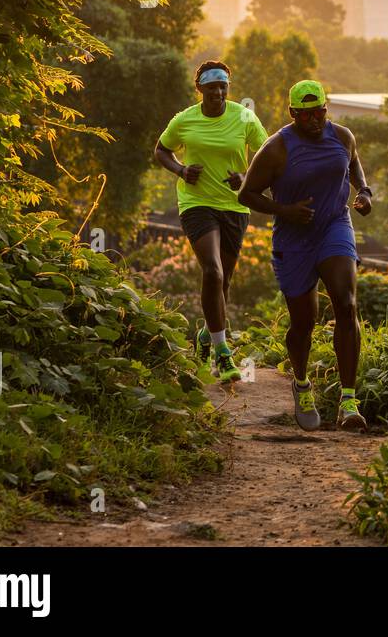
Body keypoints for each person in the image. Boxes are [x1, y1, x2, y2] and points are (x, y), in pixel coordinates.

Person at [238, 79, 372, 431]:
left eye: (320, 112)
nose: (315, 120)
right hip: (293, 238)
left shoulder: (342, 136)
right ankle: (301, 383)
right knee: (304, 322)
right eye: (306, 115)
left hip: (334, 226)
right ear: (292, 114)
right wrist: (284, 210)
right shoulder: (276, 149)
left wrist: (365, 192)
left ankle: (349, 401)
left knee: (346, 303)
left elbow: (353, 163)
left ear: (327, 109)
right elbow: (246, 194)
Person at [153, 61, 267, 383]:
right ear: (199, 89)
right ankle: (223, 352)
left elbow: (267, 154)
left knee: (224, 281)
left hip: (235, 206)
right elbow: (161, 150)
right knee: (212, 270)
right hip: (196, 203)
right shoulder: (184, 119)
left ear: (227, 88)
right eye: (211, 87)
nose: (218, 92)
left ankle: (205, 336)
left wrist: (246, 177)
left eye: (223, 86)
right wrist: (180, 170)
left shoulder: (244, 116)